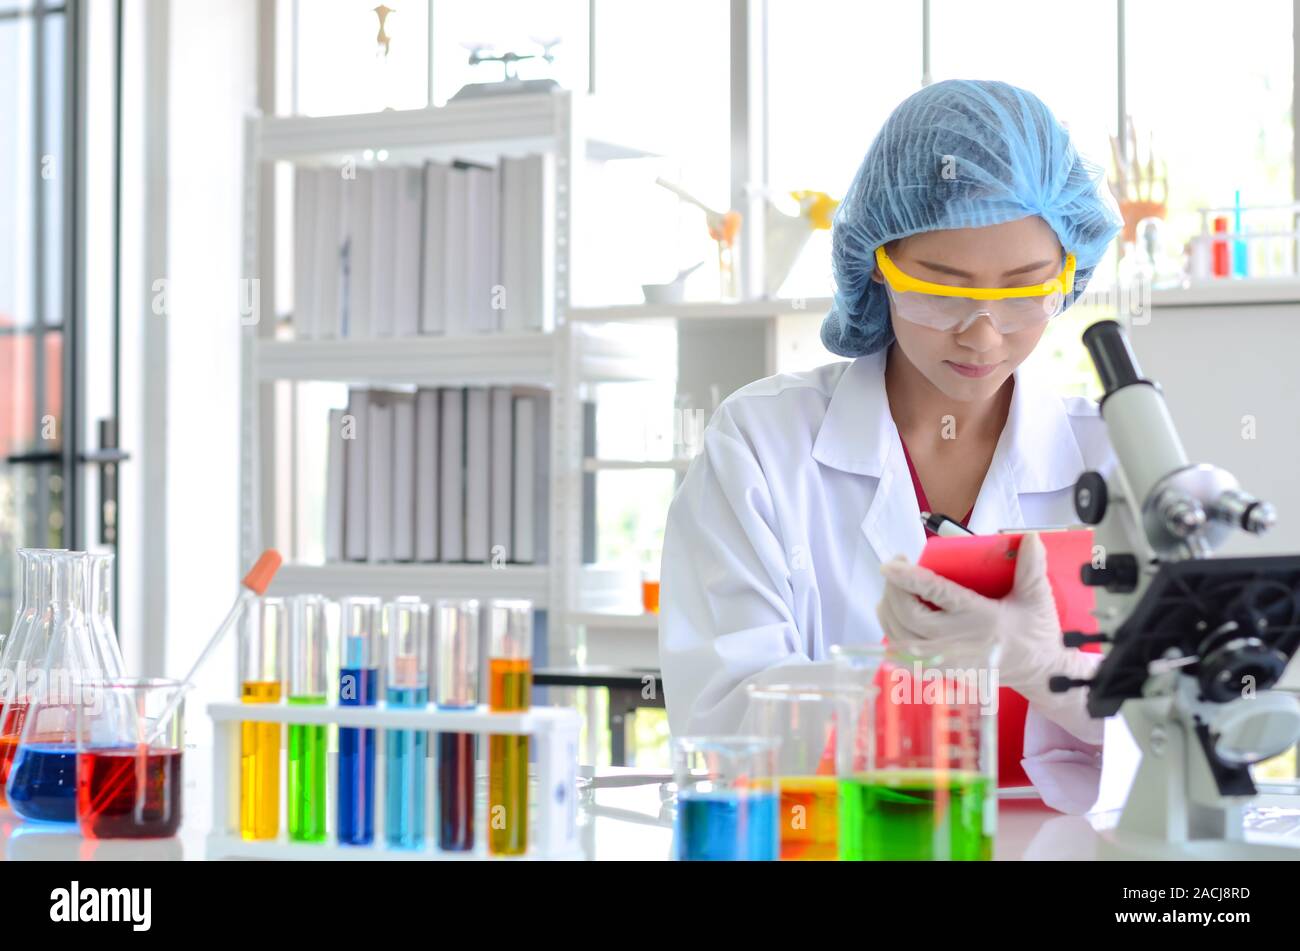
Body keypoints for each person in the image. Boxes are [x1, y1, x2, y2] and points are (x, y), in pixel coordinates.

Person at [658, 79, 1123, 814]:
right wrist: (914, 680)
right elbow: (723, 726)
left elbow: (1182, 735)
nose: (984, 333)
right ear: (877, 262)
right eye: (942, 290)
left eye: (1026, 291)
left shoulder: (1112, 458)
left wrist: (1045, 669)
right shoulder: (762, 446)